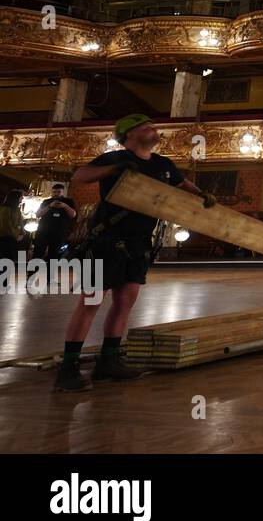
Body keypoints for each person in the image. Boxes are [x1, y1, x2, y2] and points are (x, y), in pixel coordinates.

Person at [55, 114, 215, 392]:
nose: (154, 130)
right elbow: (80, 176)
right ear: (130, 134)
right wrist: (113, 170)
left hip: (138, 243)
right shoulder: (114, 158)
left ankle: (109, 361)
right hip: (106, 240)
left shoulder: (163, 164)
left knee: (125, 301)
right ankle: (68, 368)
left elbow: (180, 183)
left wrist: (202, 194)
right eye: (147, 127)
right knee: (91, 302)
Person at [33, 182, 77, 260]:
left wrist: (65, 206)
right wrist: (50, 206)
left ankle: (50, 272)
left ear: (63, 192)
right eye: (54, 192)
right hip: (43, 231)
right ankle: (33, 271)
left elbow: (73, 215)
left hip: (59, 233)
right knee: (38, 252)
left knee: (54, 256)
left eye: (59, 192)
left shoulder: (69, 201)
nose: (56, 194)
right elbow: (38, 215)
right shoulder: (46, 201)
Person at [0, 189, 23, 265]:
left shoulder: (17, 210)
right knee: (6, 259)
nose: (22, 199)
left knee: (10, 260)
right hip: (5, 238)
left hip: (13, 238)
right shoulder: (5, 209)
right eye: (21, 197)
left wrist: (22, 233)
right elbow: (6, 225)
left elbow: (20, 223)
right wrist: (16, 235)